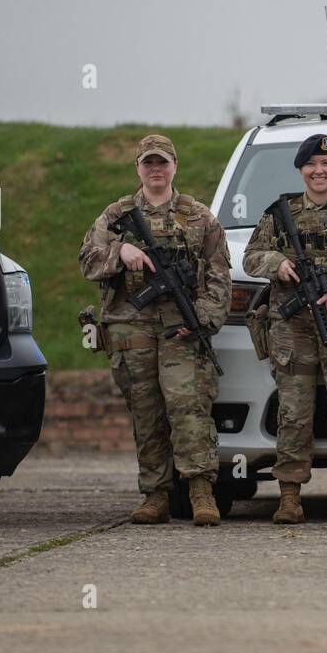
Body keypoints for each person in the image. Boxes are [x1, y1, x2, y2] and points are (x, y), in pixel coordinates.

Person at [79, 133, 231, 526]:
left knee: (188, 408)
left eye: (162, 162)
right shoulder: (115, 215)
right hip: (133, 330)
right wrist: (120, 251)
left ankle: (200, 492)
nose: (156, 169)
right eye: (148, 163)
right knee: (146, 414)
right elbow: (88, 261)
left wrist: (204, 320)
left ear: (174, 166)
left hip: (180, 329)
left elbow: (218, 276)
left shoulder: (199, 217)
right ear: (138, 168)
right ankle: (155, 495)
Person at [242, 133, 327, 524]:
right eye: (311, 165)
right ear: (302, 170)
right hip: (292, 327)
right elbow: (252, 256)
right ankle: (289, 498)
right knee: (293, 413)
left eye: (326, 164)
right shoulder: (279, 213)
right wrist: (278, 264)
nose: (319, 171)